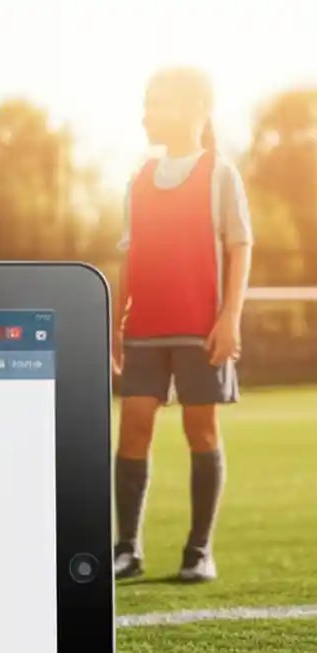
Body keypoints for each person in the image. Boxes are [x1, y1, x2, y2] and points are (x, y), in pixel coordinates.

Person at [112, 67, 253, 583]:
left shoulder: (220, 173)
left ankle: (199, 550)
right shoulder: (138, 178)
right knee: (133, 431)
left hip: (200, 329)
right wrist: (115, 319)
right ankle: (126, 548)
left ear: (194, 110)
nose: (146, 114)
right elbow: (128, 255)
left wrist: (230, 317)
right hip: (144, 329)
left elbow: (240, 245)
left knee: (201, 430)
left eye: (157, 104)